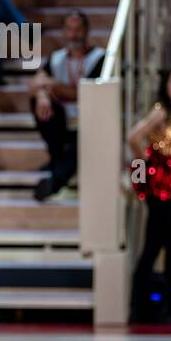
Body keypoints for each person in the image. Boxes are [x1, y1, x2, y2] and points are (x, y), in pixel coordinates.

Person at [127, 68, 171, 322]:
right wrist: (150, 165)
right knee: (153, 248)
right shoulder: (160, 112)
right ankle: (139, 309)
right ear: (166, 84)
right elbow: (133, 137)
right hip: (161, 193)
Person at [31, 11, 105, 202]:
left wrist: (54, 85)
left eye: (78, 29)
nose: (73, 34)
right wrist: (42, 96)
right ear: (64, 32)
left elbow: (83, 92)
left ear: (86, 31)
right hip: (63, 120)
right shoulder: (56, 57)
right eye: (69, 29)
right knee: (37, 103)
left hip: (90, 122)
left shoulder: (100, 58)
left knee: (83, 144)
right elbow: (36, 82)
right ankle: (56, 159)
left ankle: (55, 181)